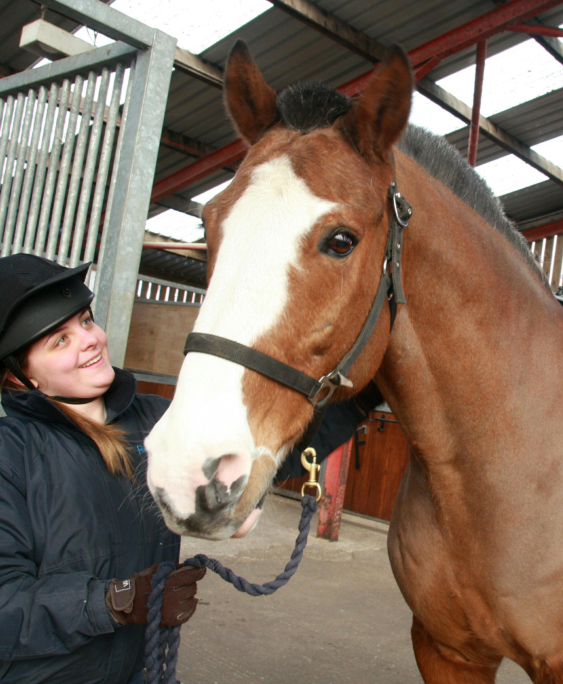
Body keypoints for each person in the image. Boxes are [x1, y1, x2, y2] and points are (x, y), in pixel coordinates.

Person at [0, 253, 379, 684]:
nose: (88, 340)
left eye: (86, 322)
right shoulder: (10, 456)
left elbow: (259, 456)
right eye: (60, 341)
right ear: (21, 378)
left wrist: (361, 401)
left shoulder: (158, 421)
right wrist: (115, 601)